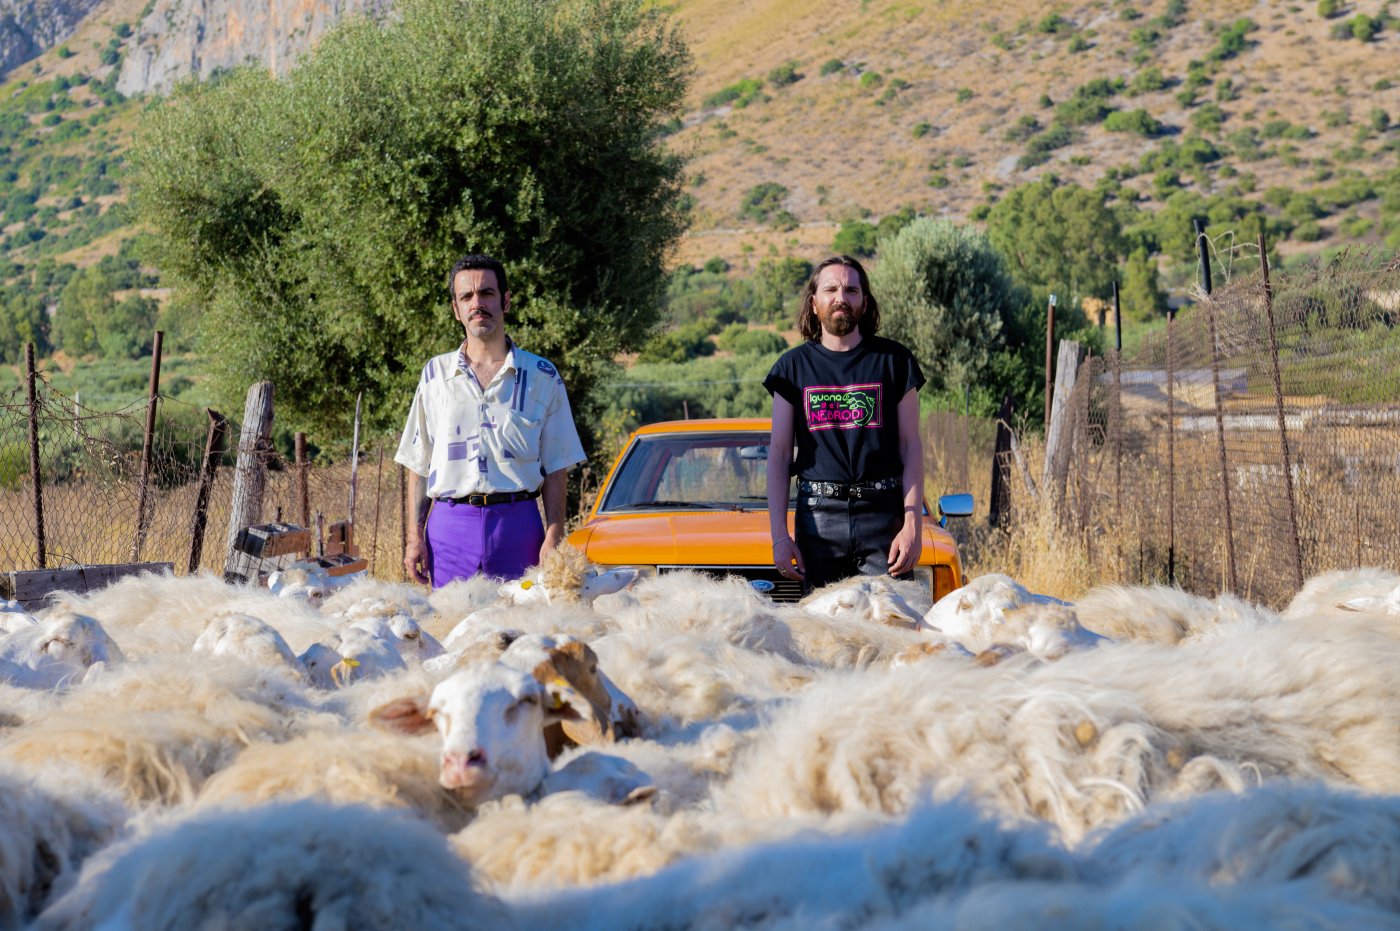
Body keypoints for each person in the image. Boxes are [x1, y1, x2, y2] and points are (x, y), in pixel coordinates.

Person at [396, 254, 586, 588]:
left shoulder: (542, 376)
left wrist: (554, 534)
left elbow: (557, 464)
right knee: (451, 620)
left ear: (506, 301)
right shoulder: (434, 375)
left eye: (487, 293)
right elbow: (419, 462)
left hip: (519, 528)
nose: (477, 304)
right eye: (466, 296)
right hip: (449, 531)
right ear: (456, 309)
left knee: (521, 620)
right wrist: (414, 538)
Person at [764, 255, 925, 591]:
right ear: (814, 303)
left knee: (891, 618)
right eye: (831, 289)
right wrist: (779, 535)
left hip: (884, 517)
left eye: (852, 290)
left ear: (864, 303)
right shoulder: (790, 369)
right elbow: (779, 455)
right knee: (822, 622)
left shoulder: (896, 362)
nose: (841, 297)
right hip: (818, 520)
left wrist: (913, 524)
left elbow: (910, 447)